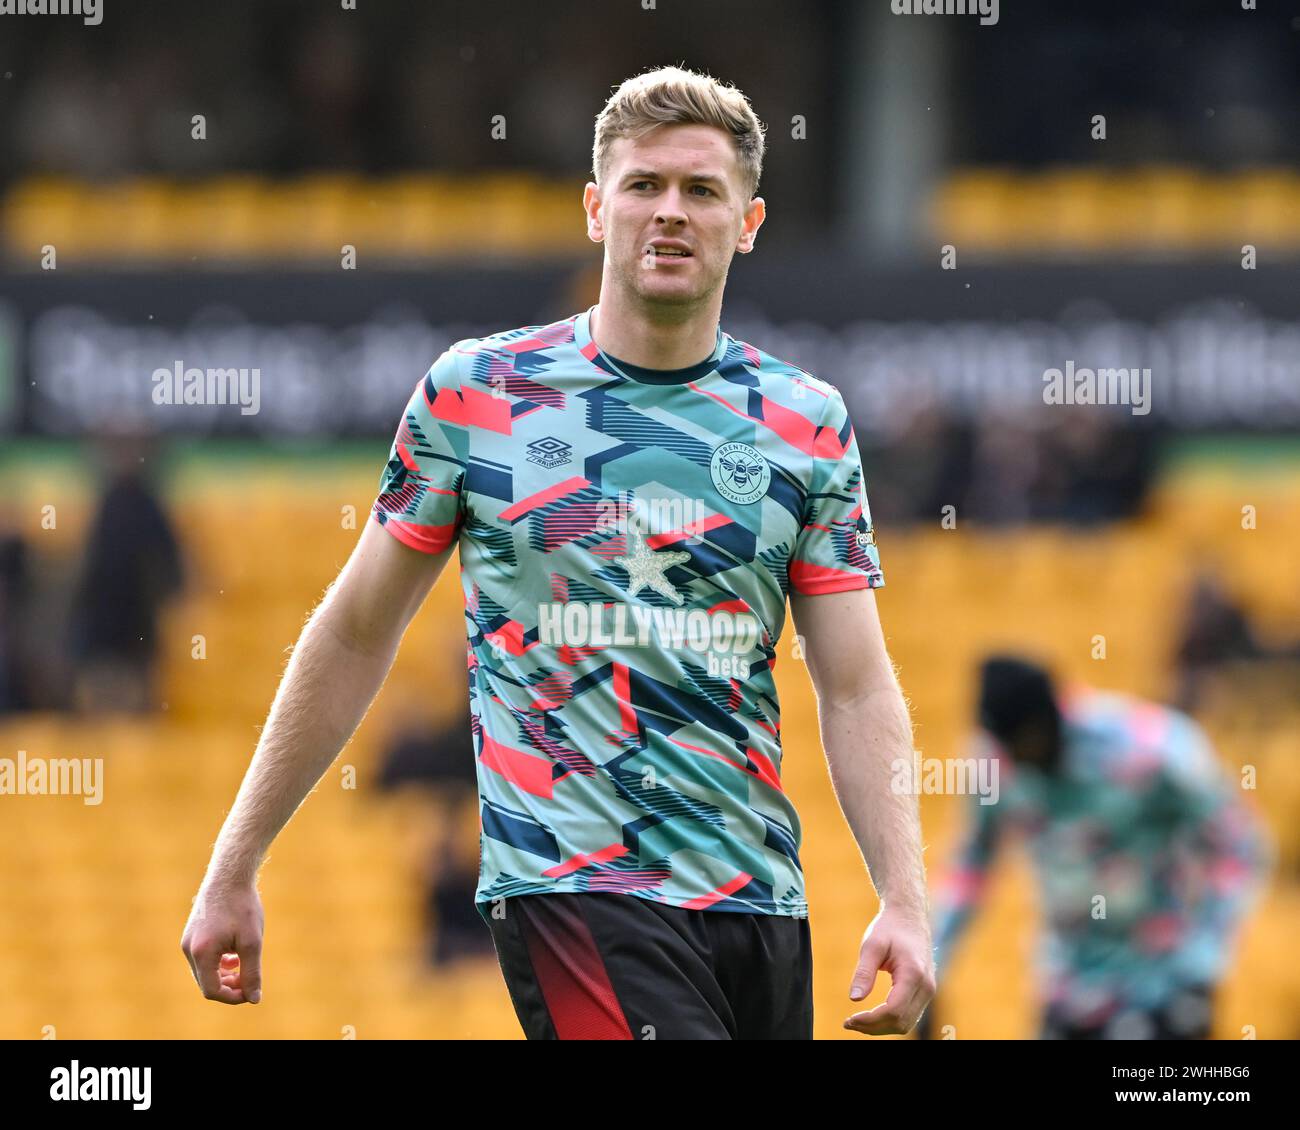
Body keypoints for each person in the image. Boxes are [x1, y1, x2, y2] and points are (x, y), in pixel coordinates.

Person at [182, 65, 934, 1040]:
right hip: (573, 882)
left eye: (701, 190)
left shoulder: (804, 423)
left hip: (758, 901)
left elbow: (855, 684)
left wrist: (905, 899)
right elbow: (356, 630)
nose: (670, 212)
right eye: (644, 185)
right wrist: (235, 861)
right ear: (595, 208)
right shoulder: (476, 394)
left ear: (747, 221)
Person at [925, 656, 1272, 1040]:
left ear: (1046, 722)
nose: (1013, 759)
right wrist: (931, 966)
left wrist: (1205, 955)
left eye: (1019, 744)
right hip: (1069, 988)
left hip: (1161, 984)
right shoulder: (996, 764)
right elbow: (972, 866)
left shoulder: (1150, 749)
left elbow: (1238, 841)